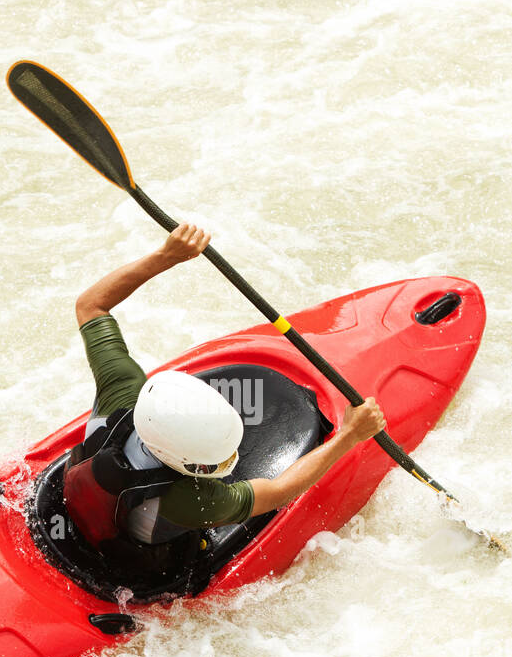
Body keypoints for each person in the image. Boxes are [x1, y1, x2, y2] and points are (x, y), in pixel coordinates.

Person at [64, 222, 386, 581]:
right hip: (134, 555)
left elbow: (90, 306)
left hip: (80, 505)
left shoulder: (121, 394)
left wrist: (166, 257)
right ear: (189, 467)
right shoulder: (192, 501)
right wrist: (350, 435)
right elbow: (279, 493)